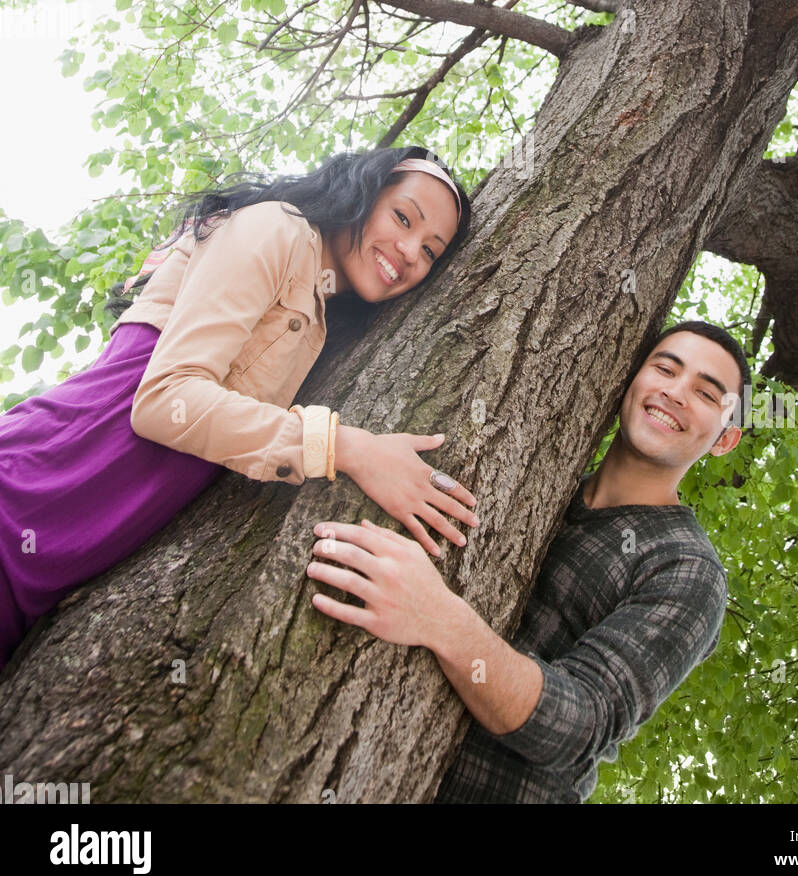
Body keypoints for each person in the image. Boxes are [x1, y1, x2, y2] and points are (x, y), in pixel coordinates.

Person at [0, 146, 477, 670]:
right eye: (403, 217)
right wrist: (348, 448)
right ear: (361, 191)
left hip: (53, 572)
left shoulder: (322, 322)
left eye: (431, 251)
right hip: (23, 500)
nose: (410, 251)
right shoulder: (280, 228)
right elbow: (166, 400)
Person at [305, 320, 747, 804]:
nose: (676, 392)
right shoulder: (544, 477)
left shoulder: (687, 568)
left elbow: (581, 725)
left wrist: (439, 619)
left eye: (707, 395)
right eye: (665, 368)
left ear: (725, 440)